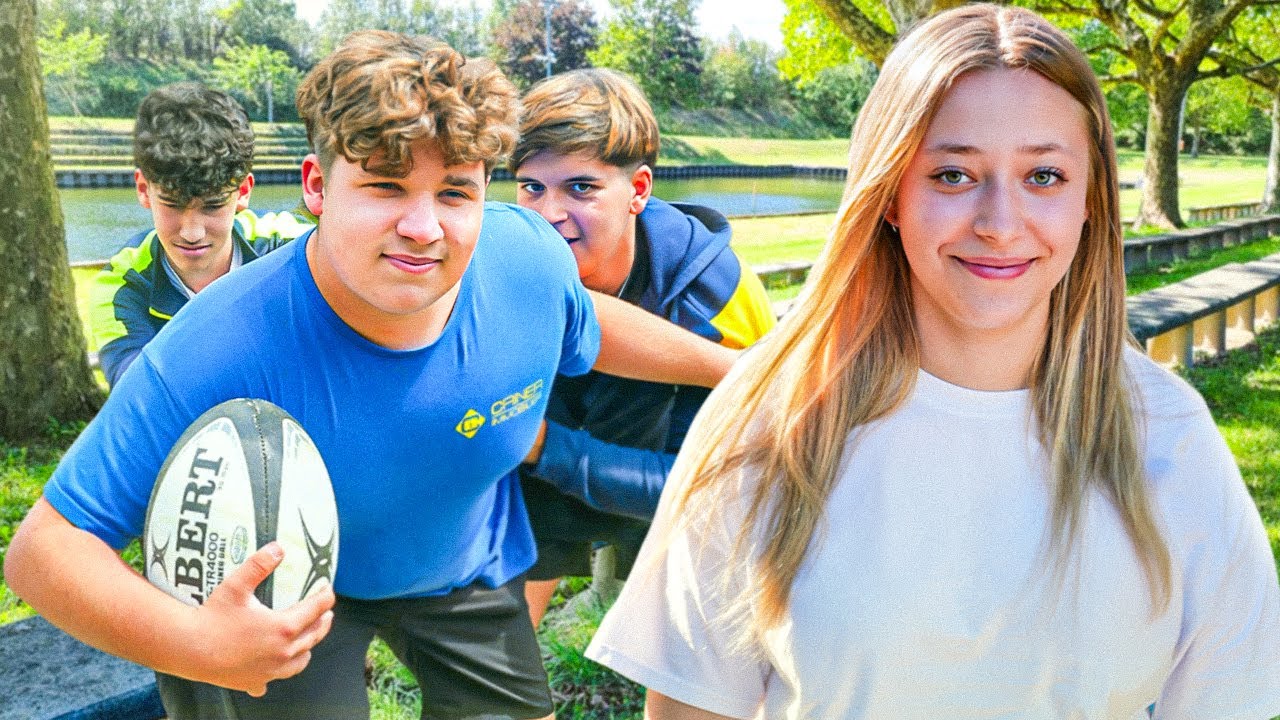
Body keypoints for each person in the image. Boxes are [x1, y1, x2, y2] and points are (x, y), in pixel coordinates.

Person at [6, 31, 736, 720]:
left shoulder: (524, 259)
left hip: (461, 566)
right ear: (318, 186)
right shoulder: (219, 349)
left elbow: (579, 321)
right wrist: (195, 643)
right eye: (387, 187)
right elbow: (46, 554)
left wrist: (735, 370)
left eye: (455, 192)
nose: (424, 227)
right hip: (284, 599)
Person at [584, 5, 1280, 718]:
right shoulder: (767, 423)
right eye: (952, 175)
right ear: (889, 196)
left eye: (1043, 176)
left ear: (1091, 200)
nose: (1000, 224)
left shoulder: (1169, 436)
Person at [510, 68, 776, 625]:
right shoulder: (499, 261)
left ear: (638, 190)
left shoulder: (720, 298)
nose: (549, 213)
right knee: (500, 642)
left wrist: (545, 447)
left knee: (700, 634)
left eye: (581, 187)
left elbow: (725, 491)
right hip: (532, 489)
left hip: (679, 501)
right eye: (532, 186)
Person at [89, 82, 311, 387]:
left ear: (243, 192)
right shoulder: (120, 286)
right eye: (173, 205)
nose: (192, 232)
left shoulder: (298, 246)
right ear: (144, 189)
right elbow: (141, 400)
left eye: (213, 205)